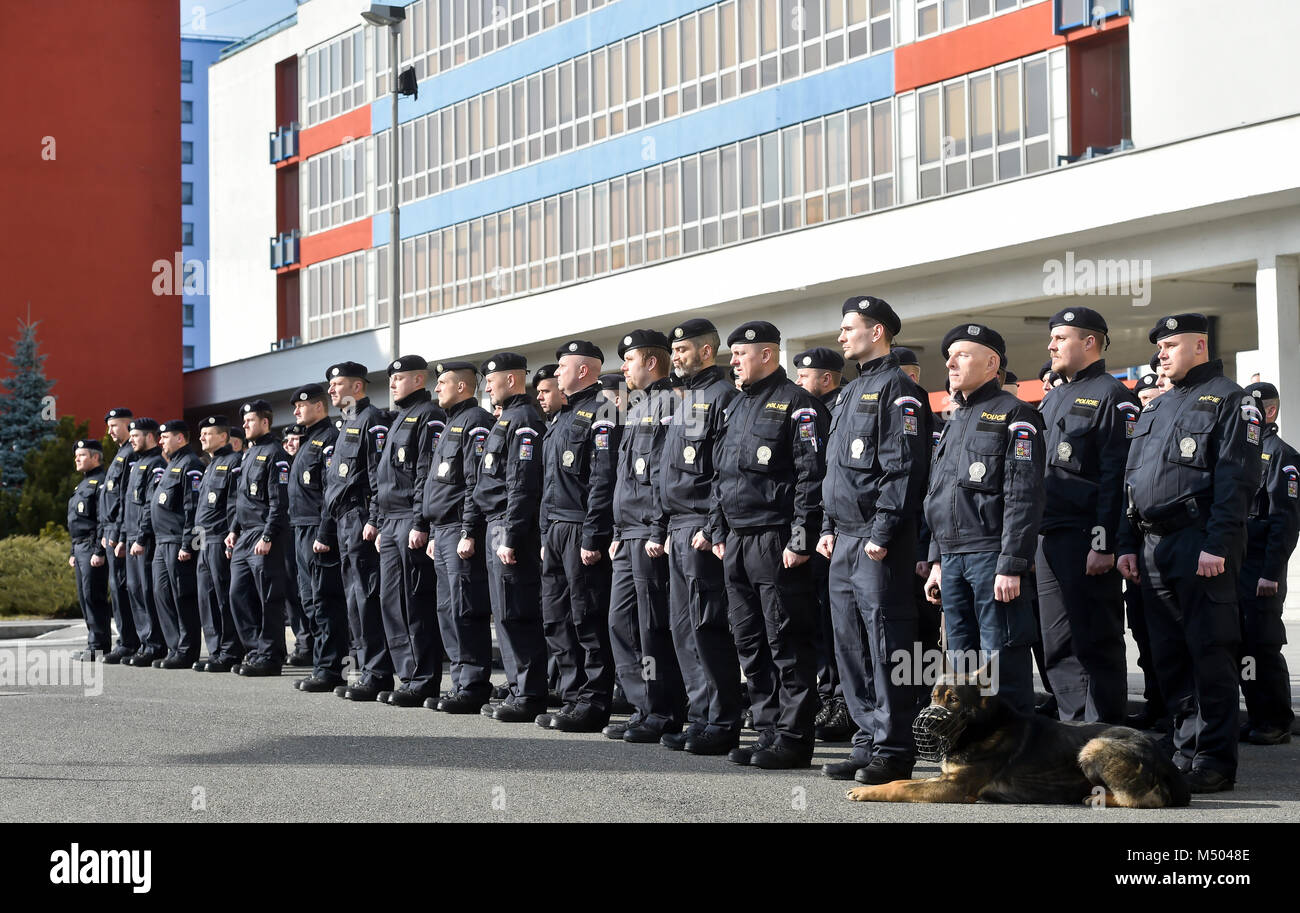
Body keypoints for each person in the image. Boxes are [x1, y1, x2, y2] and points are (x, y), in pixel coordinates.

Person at [1117, 313, 1260, 792]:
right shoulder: (1156, 409)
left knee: (1210, 653)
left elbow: (1236, 480)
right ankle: (1183, 751)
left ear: (1199, 346)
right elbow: (1131, 483)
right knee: (1169, 656)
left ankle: (1215, 761)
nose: (1161, 352)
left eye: (1171, 344)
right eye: (1158, 345)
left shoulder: (1230, 399)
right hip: (1153, 544)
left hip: (1200, 542)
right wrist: (1126, 544)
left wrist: (1217, 544)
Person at [816, 296, 931, 784]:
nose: (841, 337)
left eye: (849, 328)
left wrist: (882, 533)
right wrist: (825, 528)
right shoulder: (849, 392)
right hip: (842, 538)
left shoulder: (899, 390)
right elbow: (835, 470)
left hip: (874, 540)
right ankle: (865, 741)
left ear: (877, 331)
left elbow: (902, 468)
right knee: (850, 645)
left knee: (885, 643)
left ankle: (894, 748)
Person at [713, 320, 830, 769]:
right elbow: (722, 477)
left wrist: (801, 537)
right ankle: (766, 732)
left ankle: (794, 737)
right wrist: (718, 529)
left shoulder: (797, 406)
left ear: (766, 355)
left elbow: (810, 477)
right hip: (737, 541)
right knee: (749, 641)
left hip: (776, 539)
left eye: (740, 354)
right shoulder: (736, 406)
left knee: (787, 641)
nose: (734, 362)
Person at [923, 324, 1045, 715]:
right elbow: (939, 495)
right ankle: (972, 752)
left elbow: (1022, 496)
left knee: (1000, 656)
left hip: (992, 557)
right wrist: (937, 560)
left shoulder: (1016, 415)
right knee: (959, 659)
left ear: (992, 363)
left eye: (962, 354)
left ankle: (1014, 759)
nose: (950, 362)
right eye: (949, 355)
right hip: (954, 558)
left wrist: (1011, 564)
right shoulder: (955, 419)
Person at [1036, 308, 1137, 723]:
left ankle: (1107, 739)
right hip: (1048, 536)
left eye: (1060, 338)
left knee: (1095, 640)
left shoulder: (1114, 396)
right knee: (1057, 643)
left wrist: (1105, 544)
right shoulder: (1054, 396)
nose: (1051, 346)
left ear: (1089, 341)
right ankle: (1073, 734)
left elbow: (1118, 477)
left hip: (1085, 538)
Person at [659, 318, 745, 755]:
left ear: (707, 352)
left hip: (699, 528)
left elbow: (721, 472)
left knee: (708, 626)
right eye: (674, 350)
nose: (676, 356)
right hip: (677, 526)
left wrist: (712, 528)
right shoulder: (688, 399)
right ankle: (700, 716)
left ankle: (723, 719)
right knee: (683, 629)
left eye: (683, 349)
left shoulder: (721, 397)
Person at [605, 329, 687, 742]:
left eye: (629, 359)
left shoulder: (672, 404)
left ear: (651, 362)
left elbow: (663, 474)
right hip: (629, 533)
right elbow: (627, 476)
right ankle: (642, 705)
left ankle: (664, 710)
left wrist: (657, 527)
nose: (623, 367)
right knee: (622, 622)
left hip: (649, 533)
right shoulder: (640, 407)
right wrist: (619, 530)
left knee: (653, 626)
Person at [461, 353, 550, 721]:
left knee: (517, 612)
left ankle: (529, 695)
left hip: (508, 525)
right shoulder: (506, 419)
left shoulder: (524, 420)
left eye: (492, 380)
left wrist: (511, 535)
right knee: (504, 612)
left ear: (511, 380)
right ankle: (517, 689)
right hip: (494, 522)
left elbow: (522, 484)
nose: (487, 387)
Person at [537, 340, 621, 732]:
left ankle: (593, 701)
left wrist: (593, 535)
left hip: (579, 527)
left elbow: (603, 480)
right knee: (557, 617)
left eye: (563, 367)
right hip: (555, 528)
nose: (557, 375)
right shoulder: (561, 417)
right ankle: (571, 697)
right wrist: (543, 532)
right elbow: (548, 482)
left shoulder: (600, 412)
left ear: (583, 370)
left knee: (586, 616)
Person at [373, 355, 448, 706]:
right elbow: (383, 476)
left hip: (408, 518)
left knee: (413, 601)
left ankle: (423, 678)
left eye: (399, 378)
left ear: (419, 380)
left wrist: (420, 522)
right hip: (390, 521)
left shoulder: (429, 415)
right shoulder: (399, 417)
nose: (392, 383)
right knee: (391, 602)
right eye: (391, 378)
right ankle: (408, 676)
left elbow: (424, 473)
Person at [319, 362, 395, 701]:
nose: (332, 390)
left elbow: (378, 476)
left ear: (358, 387)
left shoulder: (371, 420)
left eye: (338, 384)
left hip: (361, 517)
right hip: (344, 521)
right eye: (331, 385)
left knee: (366, 597)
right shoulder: (347, 422)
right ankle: (366, 669)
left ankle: (377, 673)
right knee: (353, 599)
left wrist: (374, 519)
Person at [424, 361, 496, 713]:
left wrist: (468, 530)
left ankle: (473, 685)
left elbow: (474, 485)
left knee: (465, 608)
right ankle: (459, 682)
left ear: (463, 387)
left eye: (443, 382)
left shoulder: (476, 423)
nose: (437, 388)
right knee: (446, 609)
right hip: (443, 530)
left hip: (459, 530)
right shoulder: (453, 421)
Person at [791, 345, 855, 742]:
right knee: (818, 622)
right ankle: (828, 693)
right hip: (818, 532)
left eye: (805, 375)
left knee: (837, 623)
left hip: (830, 532)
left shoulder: (834, 411)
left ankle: (840, 699)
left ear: (826, 378)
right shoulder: (811, 411)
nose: (799, 381)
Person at [1237, 381, 1297, 745]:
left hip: (1261, 569)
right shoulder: (1240, 451)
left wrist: (1271, 573)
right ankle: (1258, 714)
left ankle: (1276, 720)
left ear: (1269, 412)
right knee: (1243, 645)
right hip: (1237, 566)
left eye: (1254, 409)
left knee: (1263, 645)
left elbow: (1285, 522)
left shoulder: (1281, 455)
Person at [287, 386, 349, 693]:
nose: (296, 411)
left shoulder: (328, 439)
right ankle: (321, 663)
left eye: (302, 406)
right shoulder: (308, 440)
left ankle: (330, 668)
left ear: (319, 407)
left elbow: (330, 491)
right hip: (301, 529)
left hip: (317, 530)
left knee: (325, 602)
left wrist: (324, 532)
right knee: (309, 600)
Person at [226, 401, 292, 676]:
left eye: (250, 420)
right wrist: (233, 529)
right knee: (238, 593)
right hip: (244, 534)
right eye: (244, 421)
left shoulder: (275, 454)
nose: (245, 425)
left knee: (268, 598)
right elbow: (241, 499)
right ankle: (254, 651)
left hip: (264, 533)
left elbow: (280, 501)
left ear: (265, 422)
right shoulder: (248, 454)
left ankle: (270, 656)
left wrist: (268, 535)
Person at [146, 420, 206, 669]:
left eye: (165, 437)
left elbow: (193, 509)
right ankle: (174, 648)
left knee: (183, 596)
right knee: (162, 594)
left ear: (180, 438)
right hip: (162, 542)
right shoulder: (173, 464)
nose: (161, 441)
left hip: (177, 542)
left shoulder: (190, 464)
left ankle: (187, 649)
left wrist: (187, 544)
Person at [193, 415, 244, 672]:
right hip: (203, 541)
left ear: (223, 436)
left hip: (219, 538)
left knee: (224, 597)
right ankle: (216, 651)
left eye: (208, 433)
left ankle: (231, 650)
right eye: (202, 433)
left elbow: (234, 505)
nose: (202, 437)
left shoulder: (234, 462)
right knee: (207, 599)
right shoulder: (210, 465)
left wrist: (232, 534)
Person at [122, 418, 168, 667]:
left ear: (150, 437)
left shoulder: (156, 465)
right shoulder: (136, 464)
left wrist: (141, 537)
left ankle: (155, 644)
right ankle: (144, 643)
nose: (131, 439)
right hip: (130, 538)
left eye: (136, 436)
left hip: (144, 540)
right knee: (135, 590)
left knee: (147, 591)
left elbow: (150, 507)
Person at [100, 408, 142, 664]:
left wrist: (117, 532)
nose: (110, 431)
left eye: (114, 425)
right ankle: (126, 640)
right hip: (111, 531)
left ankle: (129, 641)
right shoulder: (120, 455)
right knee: (117, 588)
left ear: (128, 425)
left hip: (119, 531)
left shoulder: (130, 455)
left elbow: (126, 499)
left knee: (124, 588)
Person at [67, 438, 110, 661]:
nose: (77, 458)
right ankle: (93, 642)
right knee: (85, 598)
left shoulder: (101, 482)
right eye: (76, 455)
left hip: (92, 546)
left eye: (82, 455)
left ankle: (100, 645)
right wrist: (73, 552)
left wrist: (98, 551)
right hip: (80, 547)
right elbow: (76, 522)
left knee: (94, 596)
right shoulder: (82, 484)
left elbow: (102, 519)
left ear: (95, 457)